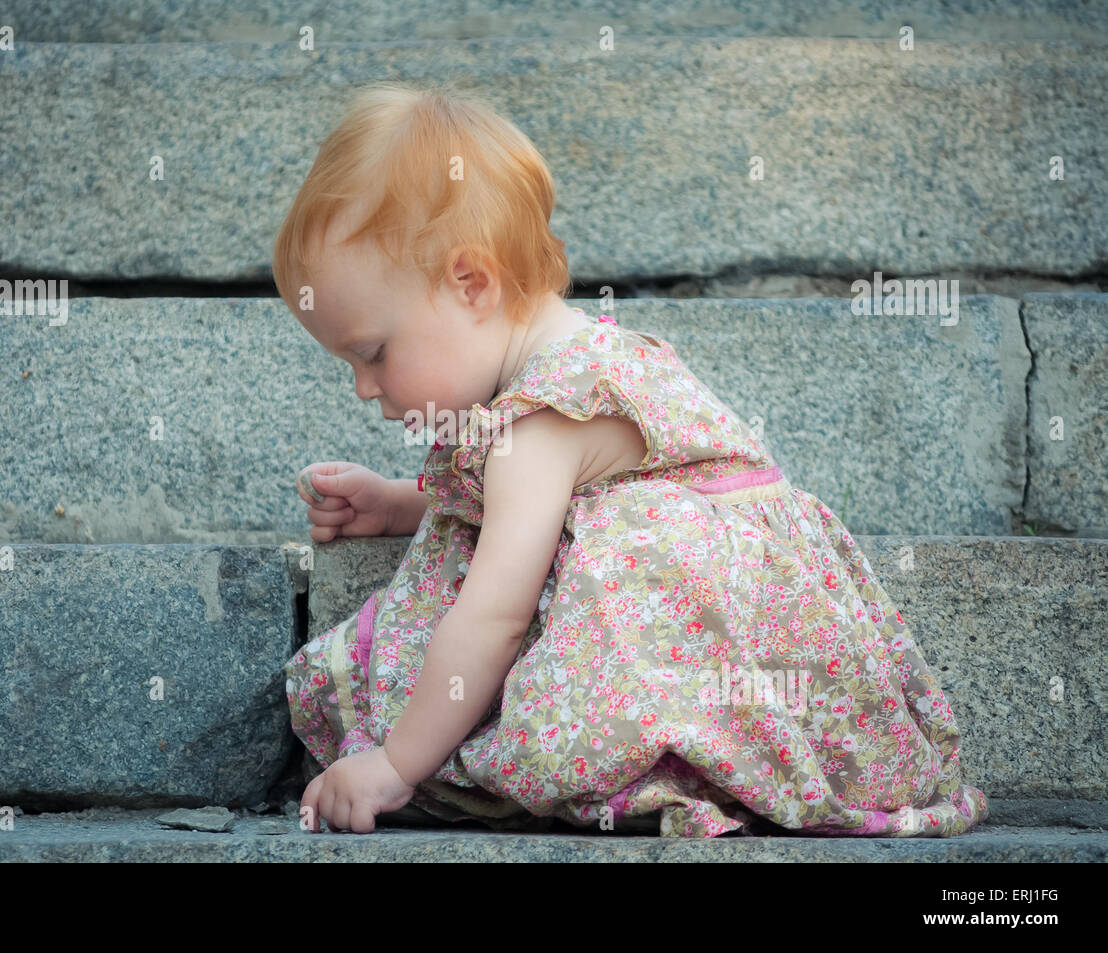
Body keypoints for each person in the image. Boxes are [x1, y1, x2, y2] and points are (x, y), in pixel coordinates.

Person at [272, 81, 989, 838]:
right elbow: (540, 511)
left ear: (471, 283)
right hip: (784, 637)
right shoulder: (588, 361)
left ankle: (660, 754)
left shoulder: (541, 421)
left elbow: (492, 615)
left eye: (373, 353)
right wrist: (399, 503)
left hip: (725, 639)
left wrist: (394, 763)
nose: (363, 388)